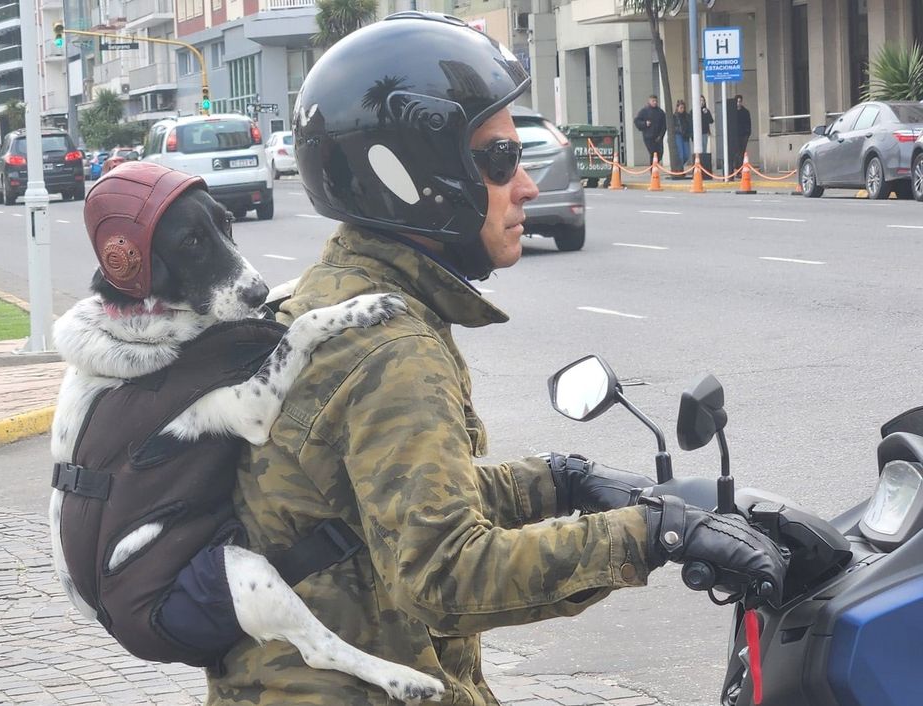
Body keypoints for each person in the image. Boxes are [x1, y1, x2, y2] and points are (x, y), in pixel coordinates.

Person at [209, 12, 787, 705]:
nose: (528, 187)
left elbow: (391, 505)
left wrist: (564, 481)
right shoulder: (389, 349)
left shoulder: (332, 300)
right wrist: (649, 535)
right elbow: (445, 575)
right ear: (422, 176)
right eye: (501, 160)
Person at [634, 94, 667, 165]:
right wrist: (645, 124)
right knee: (653, 152)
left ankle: (655, 165)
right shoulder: (644, 111)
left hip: (658, 137)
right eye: (653, 101)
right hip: (648, 136)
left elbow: (664, 125)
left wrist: (661, 136)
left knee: (660, 153)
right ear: (649, 101)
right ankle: (653, 169)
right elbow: (637, 121)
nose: (655, 102)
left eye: (656, 101)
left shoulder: (660, 112)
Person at [672, 99, 693, 172]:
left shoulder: (687, 116)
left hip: (686, 136)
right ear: (677, 108)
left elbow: (690, 125)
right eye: (680, 108)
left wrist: (690, 134)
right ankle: (680, 169)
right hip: (678, 135)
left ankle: (679, 166)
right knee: (680, 153)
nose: (682, 109)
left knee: (686, 155)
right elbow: (673, 127)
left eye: (683, 108)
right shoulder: (674, 116)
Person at [734, 94, 752, 171]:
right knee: (737, 152)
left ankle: (740, 168)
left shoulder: (745, 112)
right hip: (735, 134)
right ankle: (738, 168)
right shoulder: (733, 112)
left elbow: (749, 122)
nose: (738, 103)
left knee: (742, 151)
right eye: (737, 102)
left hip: (744, 134)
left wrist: (748, 133)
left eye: (740, 101)